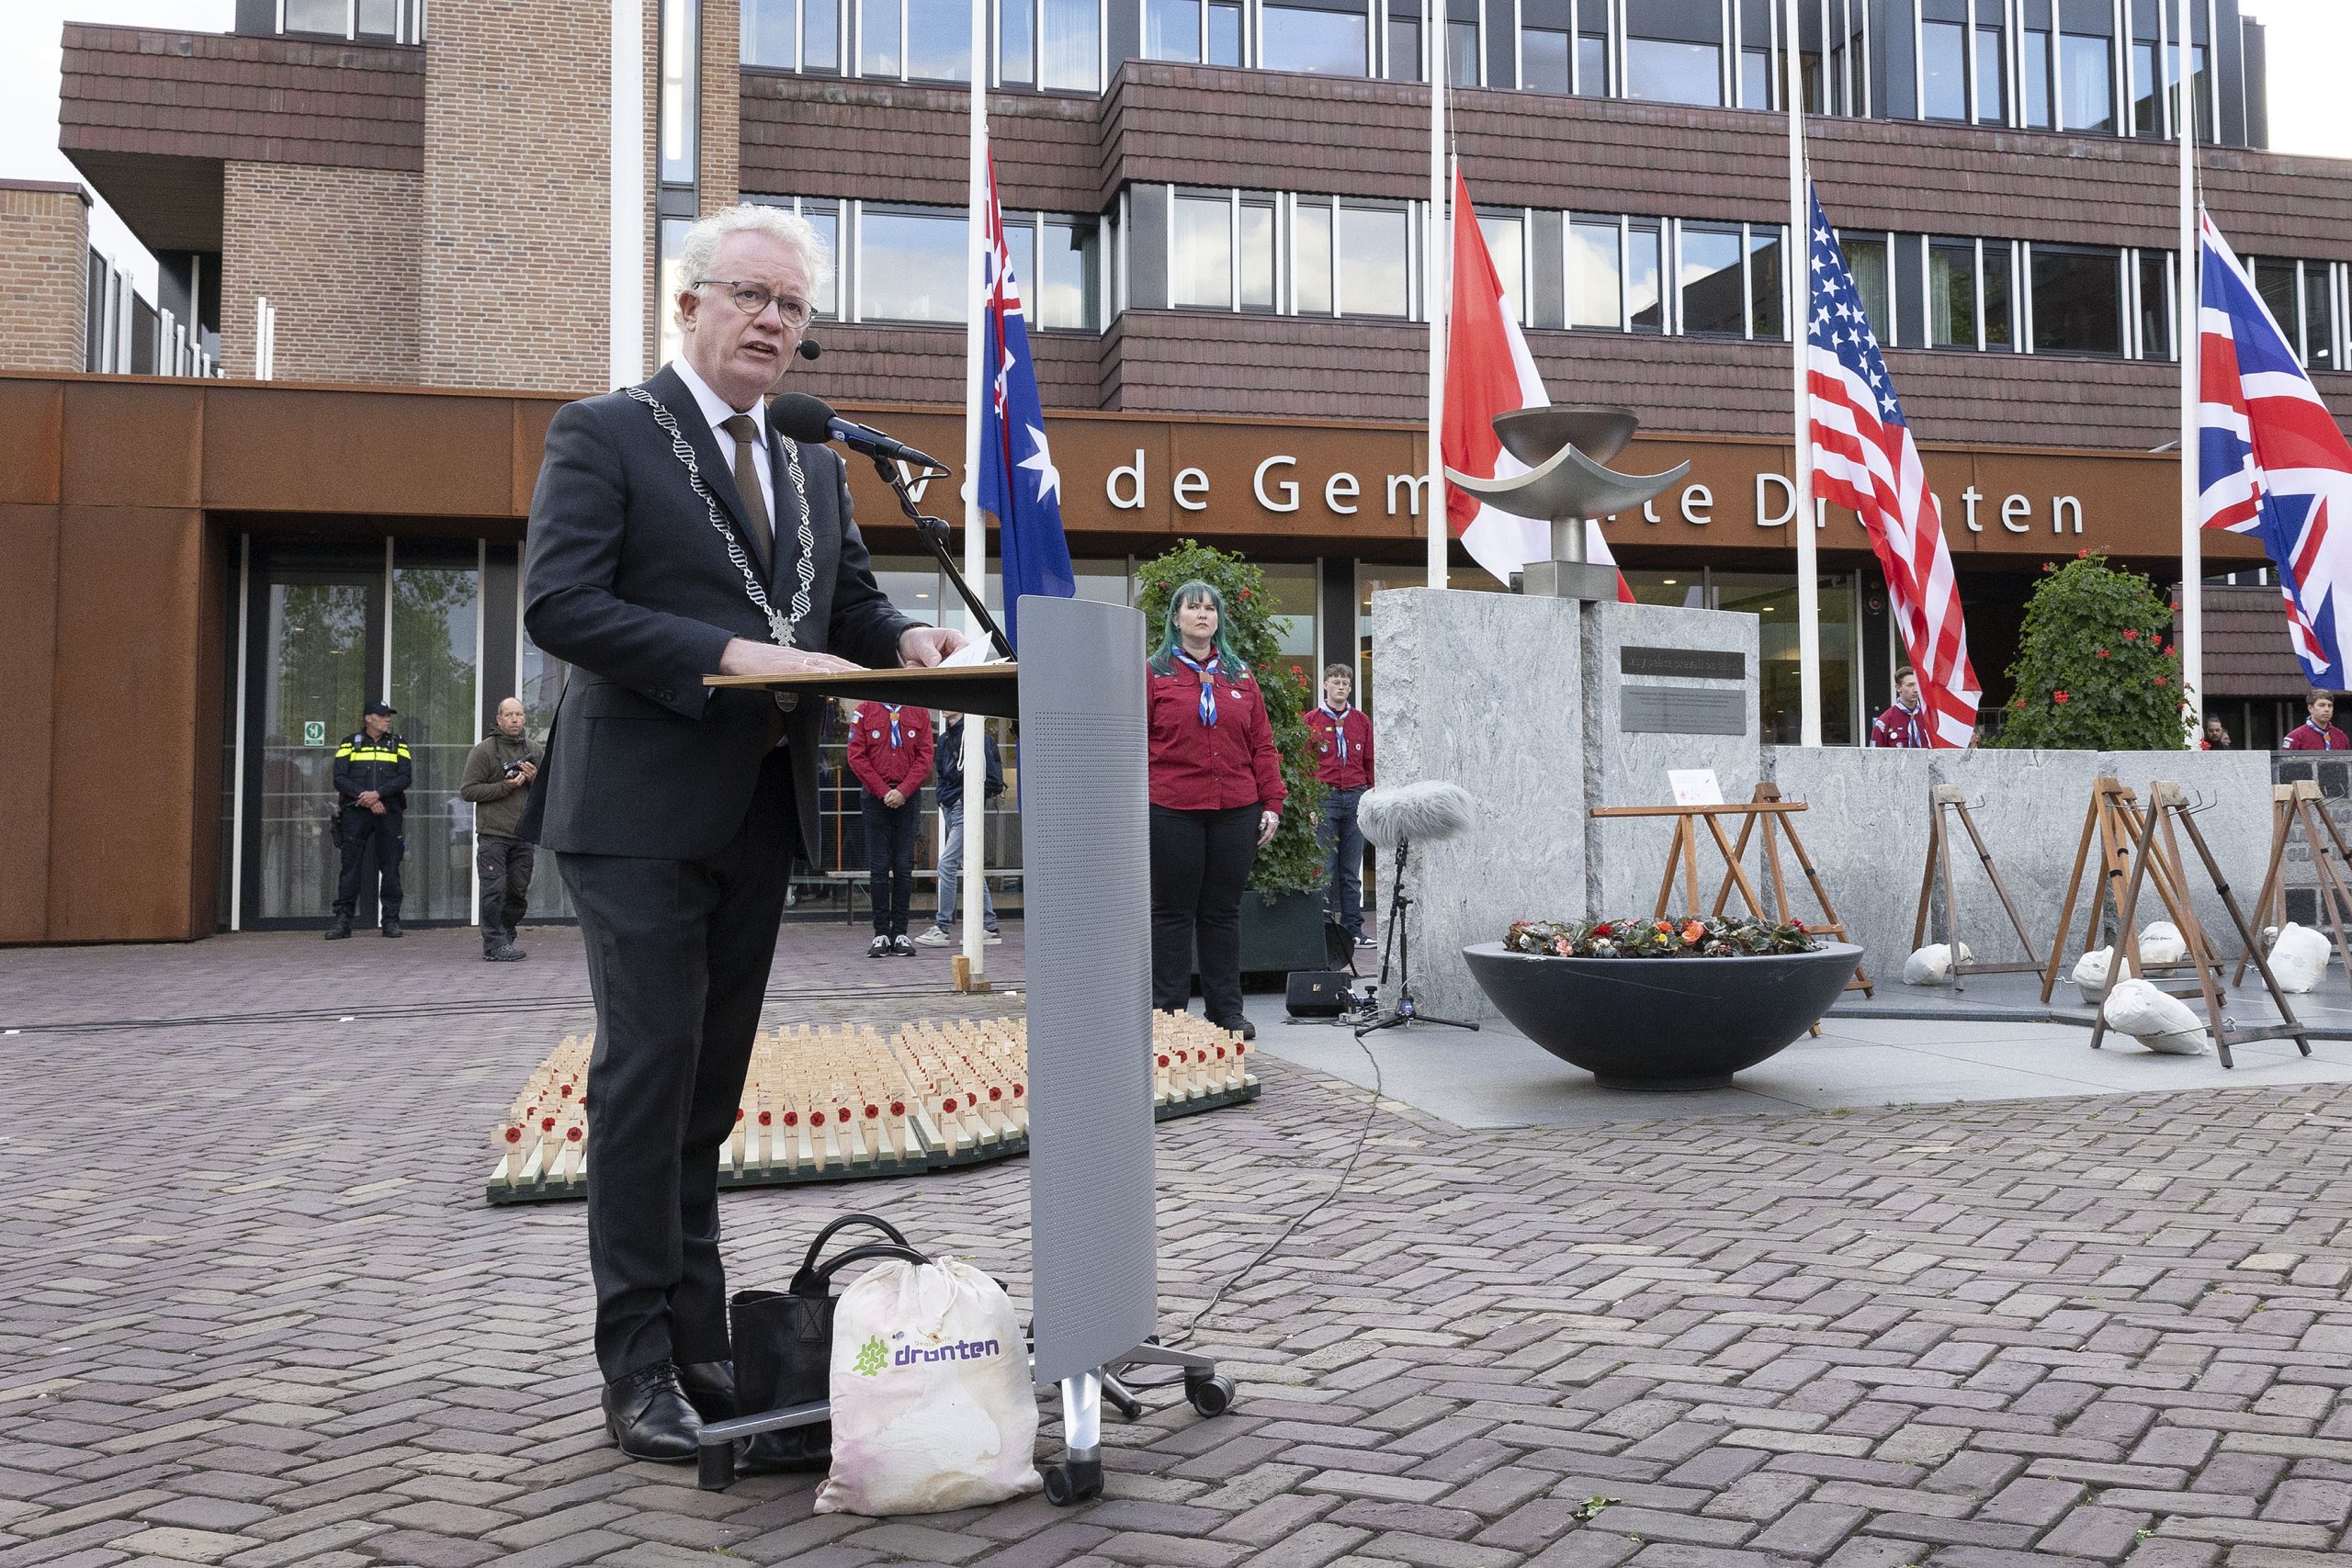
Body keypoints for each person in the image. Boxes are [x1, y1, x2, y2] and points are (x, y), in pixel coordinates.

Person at [517, 203, 961, 1463]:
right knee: (648, 1080)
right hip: (639, 810)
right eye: (750, 295)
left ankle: (706, 1344)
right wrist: (726, 652)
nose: (773, 321)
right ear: (688, 303)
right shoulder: (604, 431)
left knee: (707, 1093)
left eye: (793, 307)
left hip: (759, 808)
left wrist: (909, 639)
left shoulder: (814, 457)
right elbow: (561, 600)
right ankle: (638, 1367)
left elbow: (853, 600)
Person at [1147, 581, 1284, 1043]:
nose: (1202, 615)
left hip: (1236, 809)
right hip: (1172, 807)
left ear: (1219, 619)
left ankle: (1227, 1012)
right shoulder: (1153, 673)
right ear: (1176, 618)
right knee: (1171, 913)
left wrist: (1273, 803)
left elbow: (1262, 745)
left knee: (1222, 913)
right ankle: (1166, 1014)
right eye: (1193, 608)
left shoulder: (1240, 676)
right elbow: (1134, 742)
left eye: (1210, 609)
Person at [846, 699, 933, 956]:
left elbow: (925, 756)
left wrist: (903, 791)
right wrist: (884, 791)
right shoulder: (864, 710)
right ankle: (881, 934)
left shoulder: (919, 711)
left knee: (904, 867)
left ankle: (901, 934)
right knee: (879, 867)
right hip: (875, 797)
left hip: (908, 797)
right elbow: (856, 755)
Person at [460, 697, 544, 962]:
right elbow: (468, 791)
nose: (515, 719)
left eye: (519, 714)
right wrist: (504, 787)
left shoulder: (535, 750)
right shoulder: (483, 751)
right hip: (493, 834)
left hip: (523, 834)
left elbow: (551, 789)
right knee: (493, 890)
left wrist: (535, 779)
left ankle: (507, 935)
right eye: (509, 715)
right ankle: (494, 944)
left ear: (525, 719)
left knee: (518, 891)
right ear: (499, 719)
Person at [917, 710, 1004, 947]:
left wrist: (961, 799)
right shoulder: (946, 738)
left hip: (963, 807)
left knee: (946, 864)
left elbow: (990, 780)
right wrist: (946, 799)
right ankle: (989, 925)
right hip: (953, 806)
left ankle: (942, 927)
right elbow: (943, 774)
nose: (944, 707)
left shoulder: (976, 736)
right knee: (970, 865)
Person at [327, 700, 412, 939]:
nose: (388, 719)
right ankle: (343, 921)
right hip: (356, 813)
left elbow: (405, 777)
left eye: (388, 716)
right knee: (351, 867)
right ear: (368, 718)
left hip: (389, 812)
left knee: (391, 867)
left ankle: (391, 921)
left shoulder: (398, 744)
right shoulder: (349, 743)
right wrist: (368, 799)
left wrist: (379, 794)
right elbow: (339, 777)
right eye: (382, 715)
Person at [1305, 663, 1374, 950]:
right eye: (1335, 682)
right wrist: (1309, 803)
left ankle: (1354, 930)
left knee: (1351, 869)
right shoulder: (1311, 720)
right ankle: (1323, 931)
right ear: (1325, 686)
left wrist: (1370, 798)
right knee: (1324, 867)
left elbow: (1369, 762)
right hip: (1325, 797)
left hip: (1356, 797)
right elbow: (1305, 764)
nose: (1341, 687)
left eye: (1345, 682)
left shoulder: (1361, 721)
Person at [1869, 669, 1931, 748]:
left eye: (1917, 685)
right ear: (1898, 688)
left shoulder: (1929, 717)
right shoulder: (1884, 722)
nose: (1916, 690)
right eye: (1910, 685)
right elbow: (1875, 755)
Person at [2282, 692, 2346, 750]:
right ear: (2310, 708)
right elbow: (2286, 762)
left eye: (2330, 706)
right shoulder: (2296, 737)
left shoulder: (2341, 736)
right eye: (2321, 705)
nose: (2327, 709)